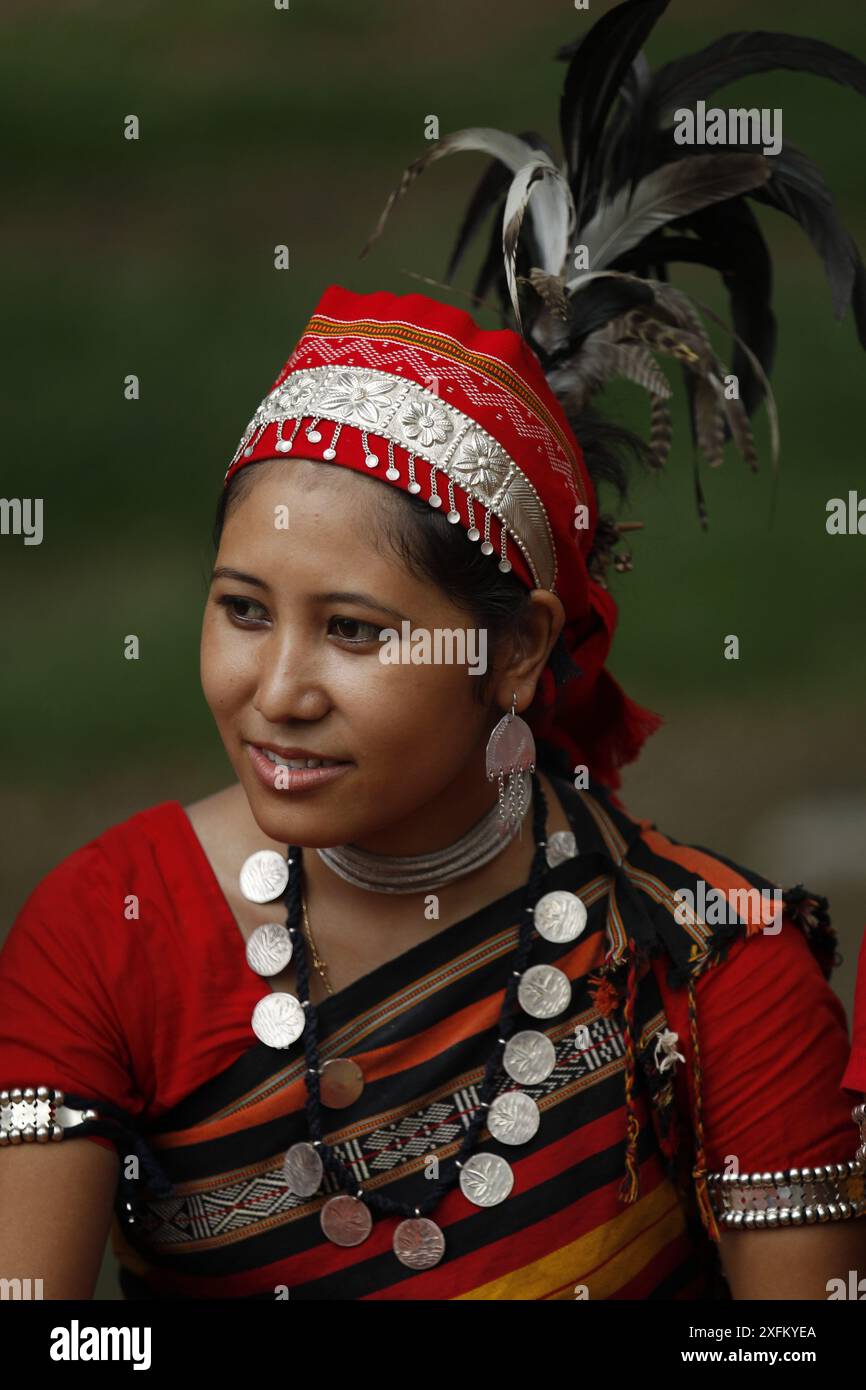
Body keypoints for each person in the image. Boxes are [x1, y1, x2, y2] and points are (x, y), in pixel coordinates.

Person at [3, 5, 866, 1301]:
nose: (274, 690)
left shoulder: (710, 965)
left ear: (514, 652)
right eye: (242, 608)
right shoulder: (110, 930)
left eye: (352, 629)